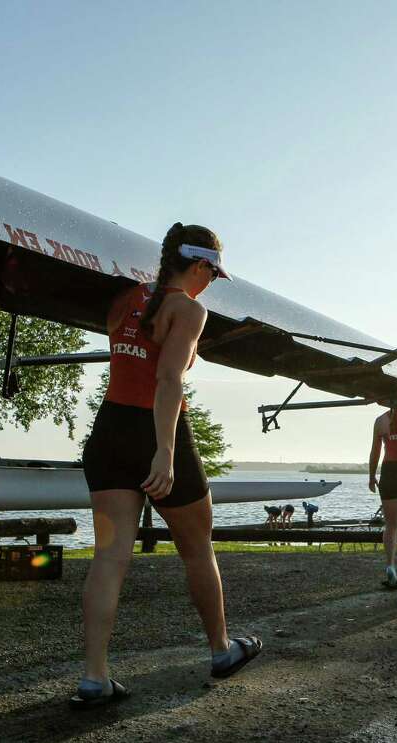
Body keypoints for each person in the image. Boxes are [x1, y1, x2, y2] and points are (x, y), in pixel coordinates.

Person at [75, 223, 262, 707]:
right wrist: (164, 451)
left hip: (110, 429)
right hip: (156, 430)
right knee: (198, 547)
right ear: (200, 266)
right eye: (212, 275)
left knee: (109, 557)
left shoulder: (125, 298)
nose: (210, 286)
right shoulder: (189, 309)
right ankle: (221, 650)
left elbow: (134, 357)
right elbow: (167, 379)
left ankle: (94, 677)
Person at [369, 404, 397, 588]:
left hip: (389, 472)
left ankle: (390, 565)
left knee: (392, 524)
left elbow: (376, 451)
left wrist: (372, 476)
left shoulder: (381, 421)